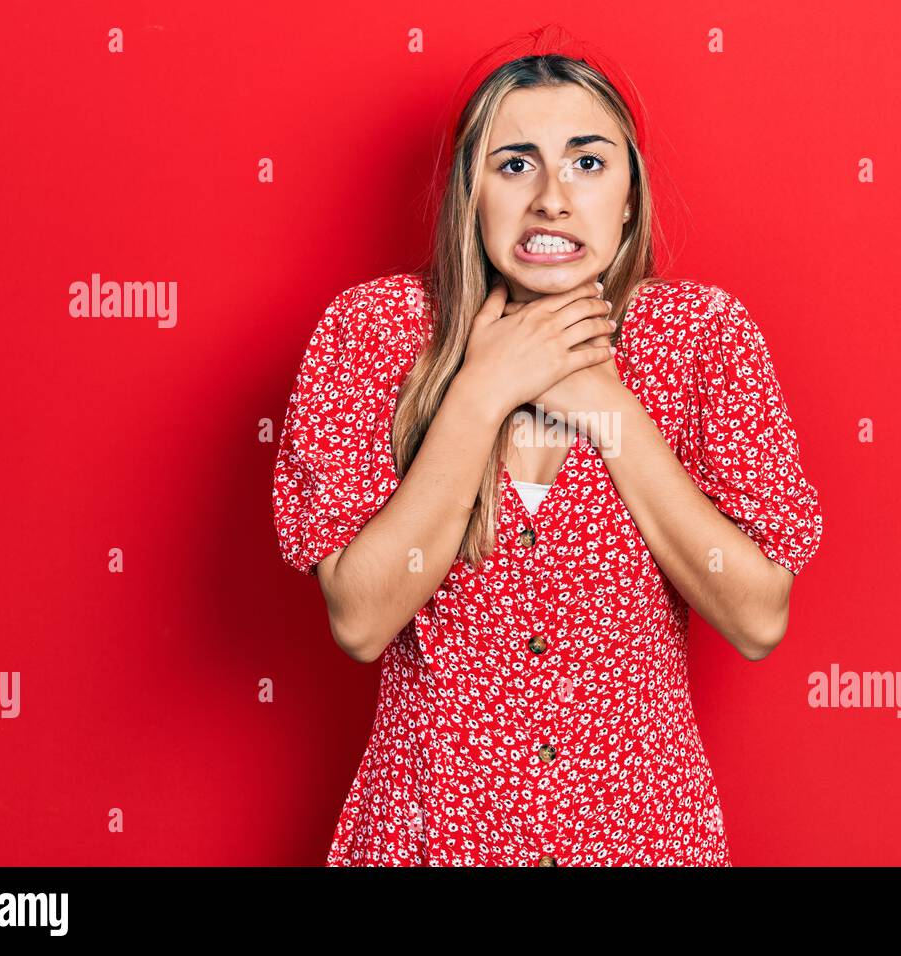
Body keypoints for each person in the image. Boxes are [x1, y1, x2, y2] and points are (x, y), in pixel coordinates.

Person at [272, 23, 822, 866]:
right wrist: (483, 390)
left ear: (630, 195)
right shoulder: (371, 335)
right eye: (515, 162)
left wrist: (606, 406)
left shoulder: (704, 338)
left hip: (640, 839)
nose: (553, 199)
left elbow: (756, 618)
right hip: (428, 839)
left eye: (588, 162)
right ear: (471, 194)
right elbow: (360, 618)